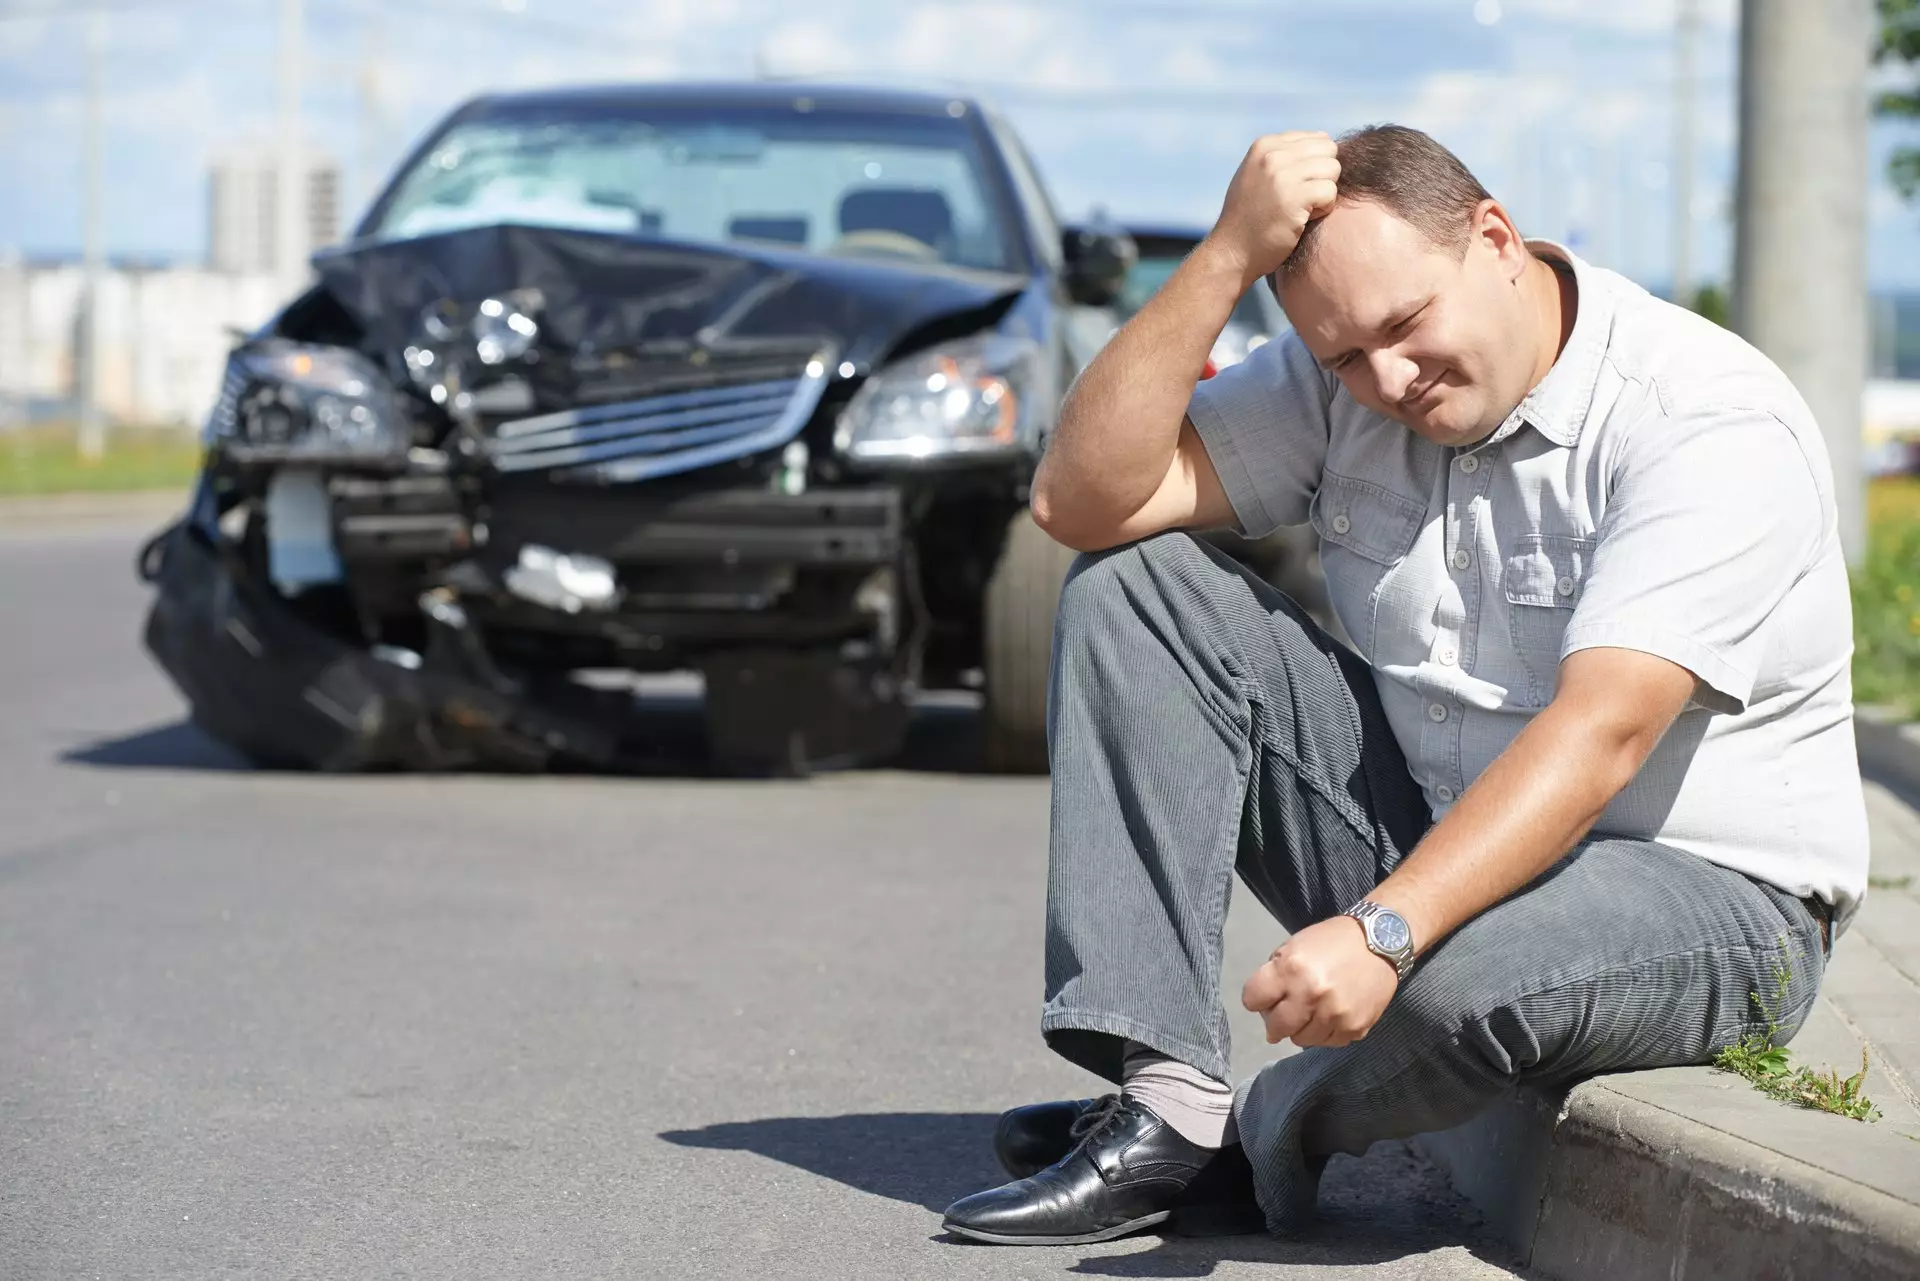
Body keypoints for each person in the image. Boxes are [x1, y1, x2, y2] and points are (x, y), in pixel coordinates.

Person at [940, 124, 1868, 1247]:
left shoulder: (1701, 418)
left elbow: (1603, 735)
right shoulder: (1351, 381)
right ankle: (1167, 1103)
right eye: (1343, 358)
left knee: (1445, 984)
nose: (1387, 381)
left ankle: (1240, 1142)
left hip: (1711, 899)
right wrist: (1224, 255)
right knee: (1135, 585)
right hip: (1443, 833)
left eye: (1403, 326)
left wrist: (1382, 932)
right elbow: (1079, 503)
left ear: (1495, 238)